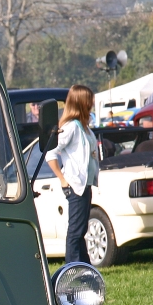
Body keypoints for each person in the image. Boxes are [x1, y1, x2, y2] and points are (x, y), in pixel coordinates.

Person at [46, 85, 98, 264]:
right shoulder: (71, 127)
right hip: (75, 184)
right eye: (89, 100)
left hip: (85, 184)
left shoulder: (84, 127)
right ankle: (72, 267)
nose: (92, 103)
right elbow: (50, 153)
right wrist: (62, 179)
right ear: (81, 102)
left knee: (81, 229)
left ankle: (84, 266)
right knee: (75, 231)